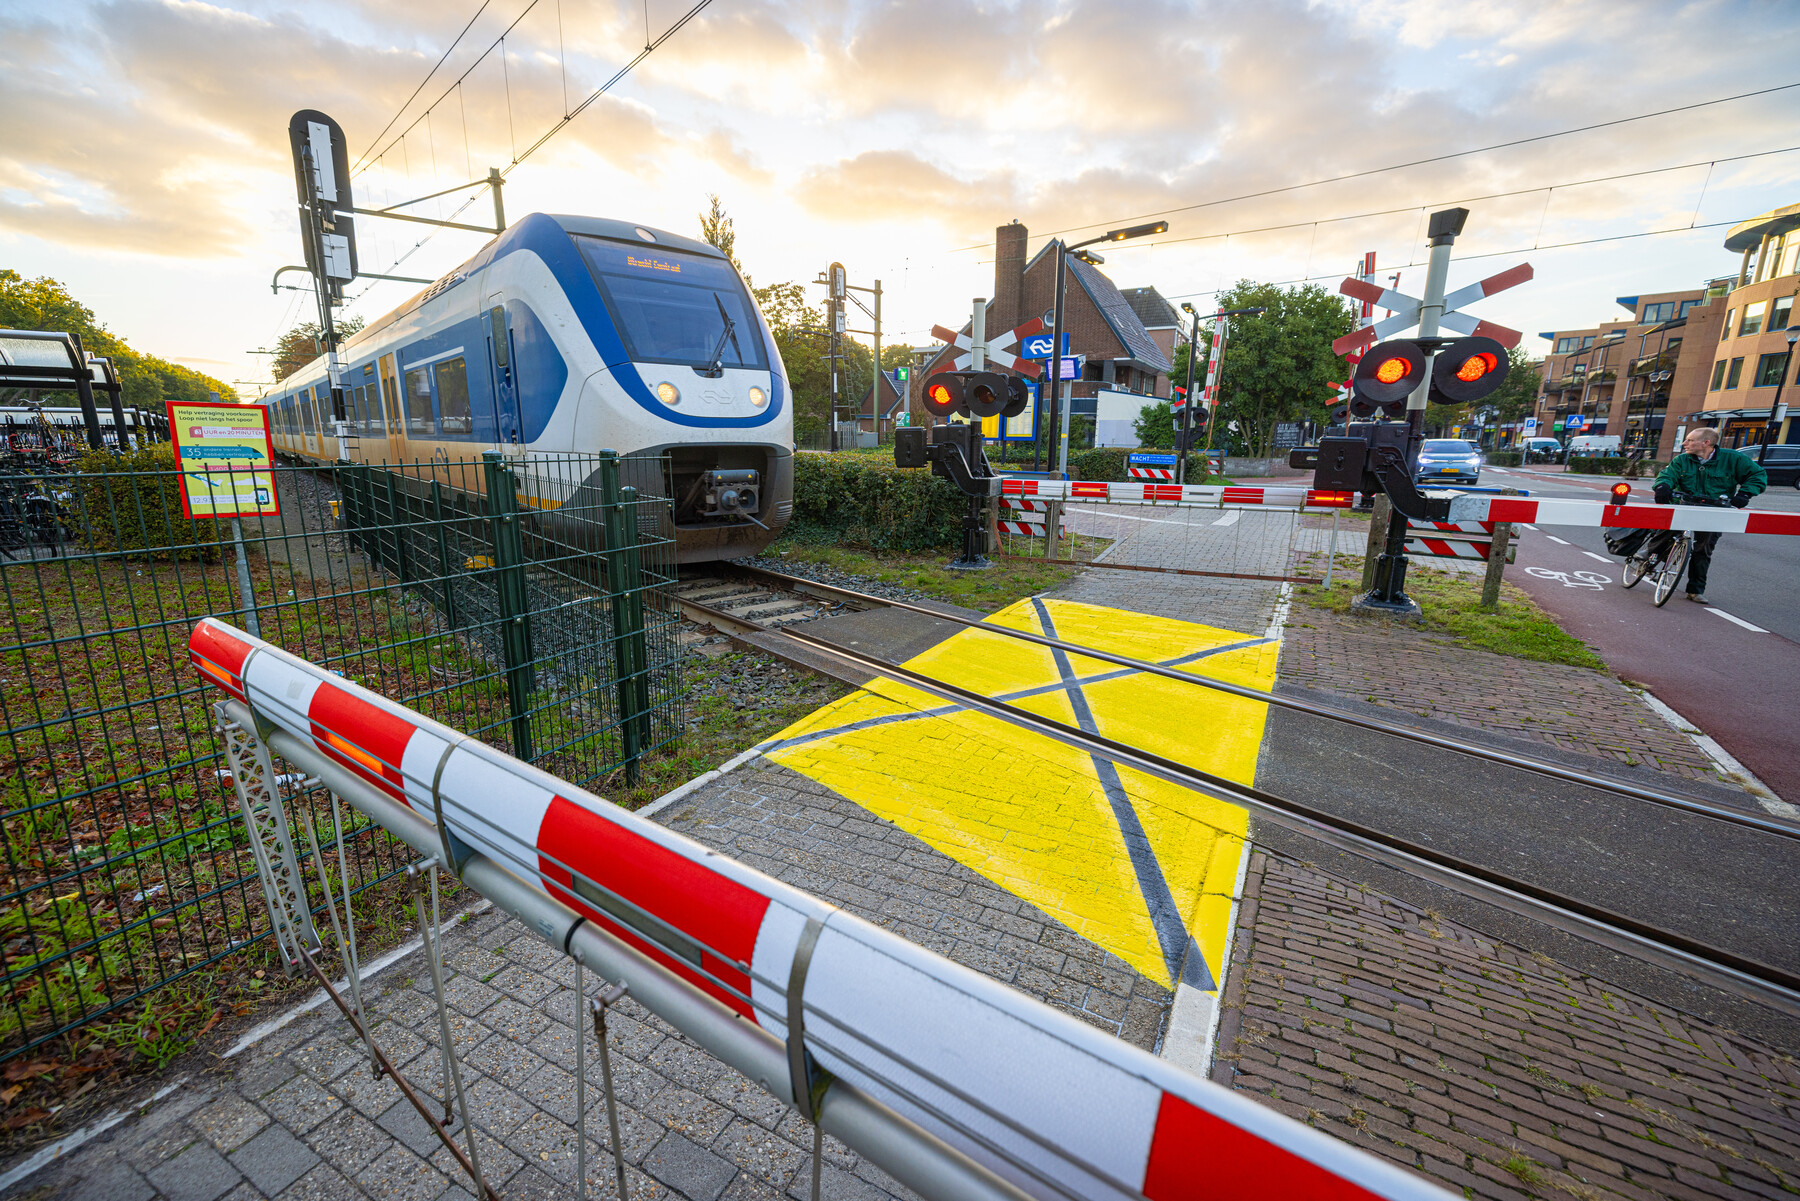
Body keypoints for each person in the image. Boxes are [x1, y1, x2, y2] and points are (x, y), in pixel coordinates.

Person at [1652, 427, 1766, 603]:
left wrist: (1745, 493)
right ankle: (1645, 555)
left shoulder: (1733, 459)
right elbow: (1667, 475)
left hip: (1714, 511)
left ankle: (1695, 591)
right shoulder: (1682, 460)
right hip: (1685, 507)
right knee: (1664, 533)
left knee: (1703, 549)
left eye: (1689, 440)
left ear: (1706, 443)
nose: (1684, 444)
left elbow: (1757, 474)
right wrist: (1663, 486)